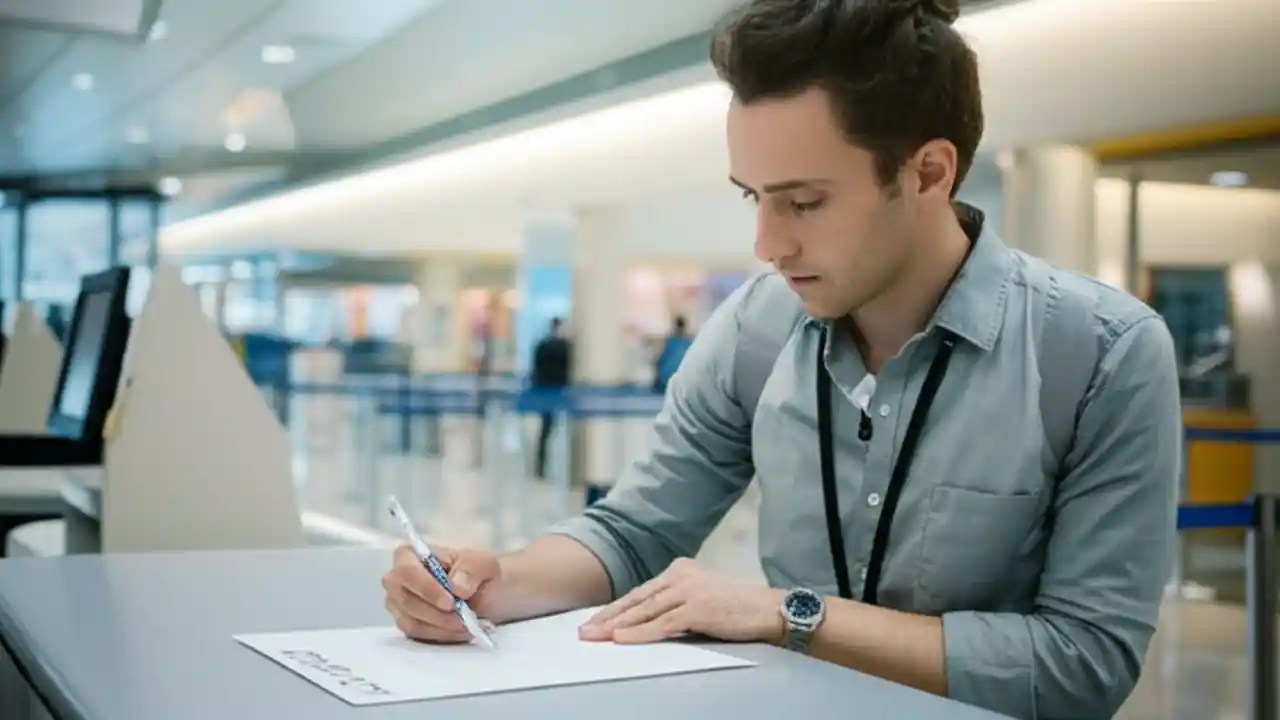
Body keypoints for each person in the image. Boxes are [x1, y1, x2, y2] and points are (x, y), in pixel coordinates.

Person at [382, 1, 1180, 717]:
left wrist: (788, 614)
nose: (766, 245)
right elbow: (633, 530)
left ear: (929, 172)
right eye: (751, 197)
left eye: (803, 202)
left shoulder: (1102, 353)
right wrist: (493, 585)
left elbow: (1083, 667)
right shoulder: (759, 327)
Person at [530, 317, 572, 478]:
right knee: (549, 430)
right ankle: (545, 467)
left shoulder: (544, 345)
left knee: (547, 431)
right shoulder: (562, 347)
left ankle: (544, 467)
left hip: (548, 392)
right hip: (554, 393)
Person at [651, 315, 693, 393]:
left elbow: (661, 361)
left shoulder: (672, 341)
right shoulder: (687, 342)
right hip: (676, 379)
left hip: (668, 379)